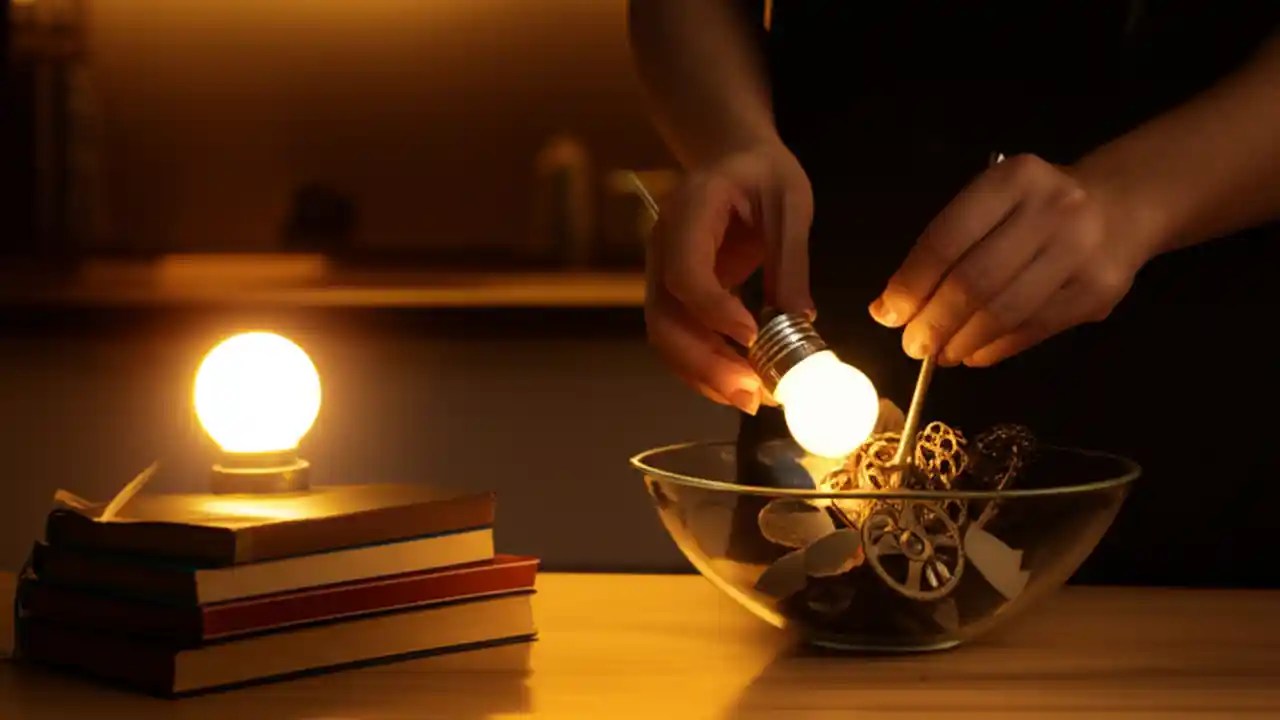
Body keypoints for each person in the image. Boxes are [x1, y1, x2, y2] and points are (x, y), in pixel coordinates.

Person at [628, 1, 1280, 587]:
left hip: (1200, 377)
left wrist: (1139, 196)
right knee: (833, 618)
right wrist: (729, 140)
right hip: (825, 278)